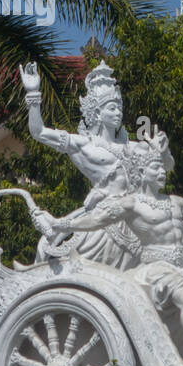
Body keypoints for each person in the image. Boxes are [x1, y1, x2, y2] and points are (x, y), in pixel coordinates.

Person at [31, 136, 183, 366]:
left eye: (161, 168)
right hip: (157, 269)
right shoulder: (132, 204)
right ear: (141, 172)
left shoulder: (175, 201)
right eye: (155, 168)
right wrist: (62, 225)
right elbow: (96, 219)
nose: (161, 173)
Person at [19, 61, 171, 268]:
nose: (118, 112)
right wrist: (33, 94)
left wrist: (162, 149)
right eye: (112, 107)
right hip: (104, 225)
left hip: (138, 223)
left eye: (119, 107)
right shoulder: (84, 145)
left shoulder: (134, 147)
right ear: (98, 113)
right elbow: (38, 132)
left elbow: (167, 167)